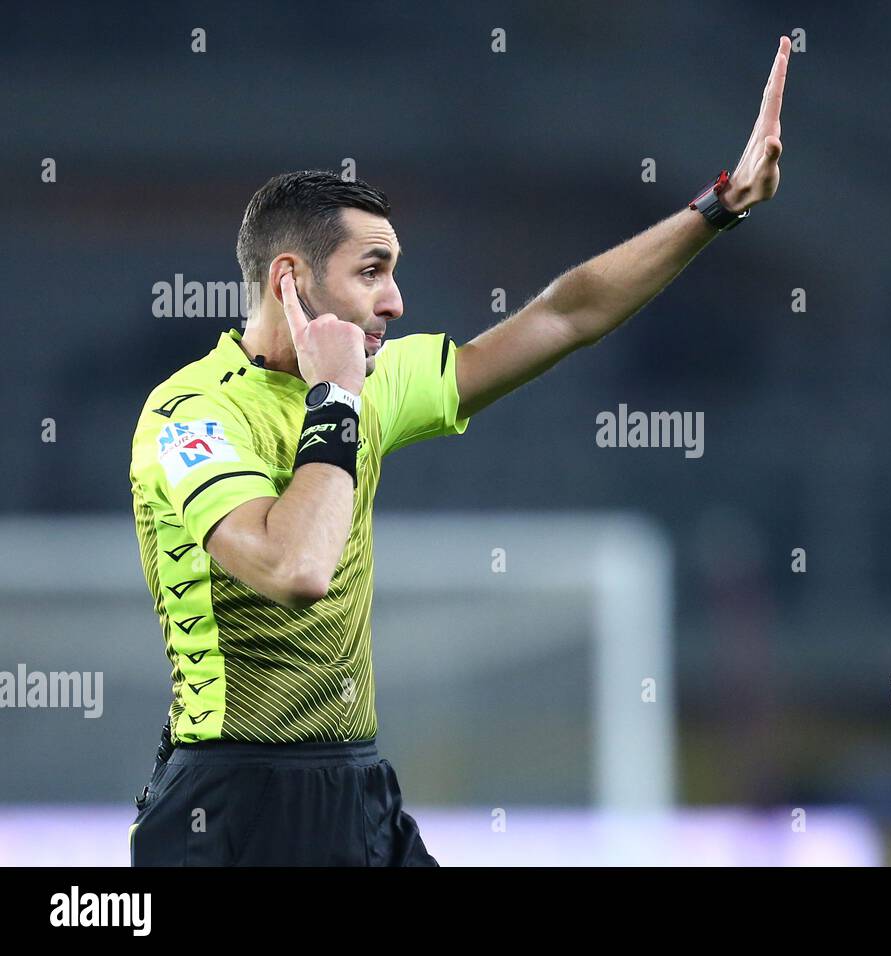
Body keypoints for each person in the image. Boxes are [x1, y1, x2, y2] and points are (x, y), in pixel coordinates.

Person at [126, 36, 792, 866]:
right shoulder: (191, 415)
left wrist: (719, 207)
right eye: (372, 271)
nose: (396, 302)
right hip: (231, 806)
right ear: (290, 280)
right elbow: (295, 568)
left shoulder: (373, 381)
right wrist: (336, 398)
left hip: (356, 790)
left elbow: (564, 316)